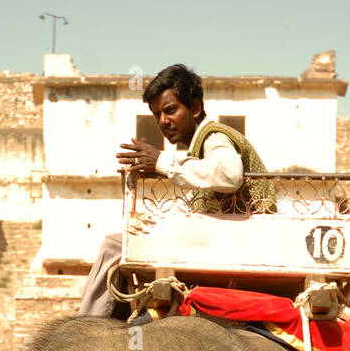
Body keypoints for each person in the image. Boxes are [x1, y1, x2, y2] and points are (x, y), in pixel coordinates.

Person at [78, 63, 275, 318]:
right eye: (157, 114)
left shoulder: (214, 137)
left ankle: (87, 326)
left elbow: (229, 174)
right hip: (220, 238)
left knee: (115, 245)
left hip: (232, 240)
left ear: (194, 108)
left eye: (170, 110)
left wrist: (161, 162)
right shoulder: (197, 149)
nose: (163, 121)